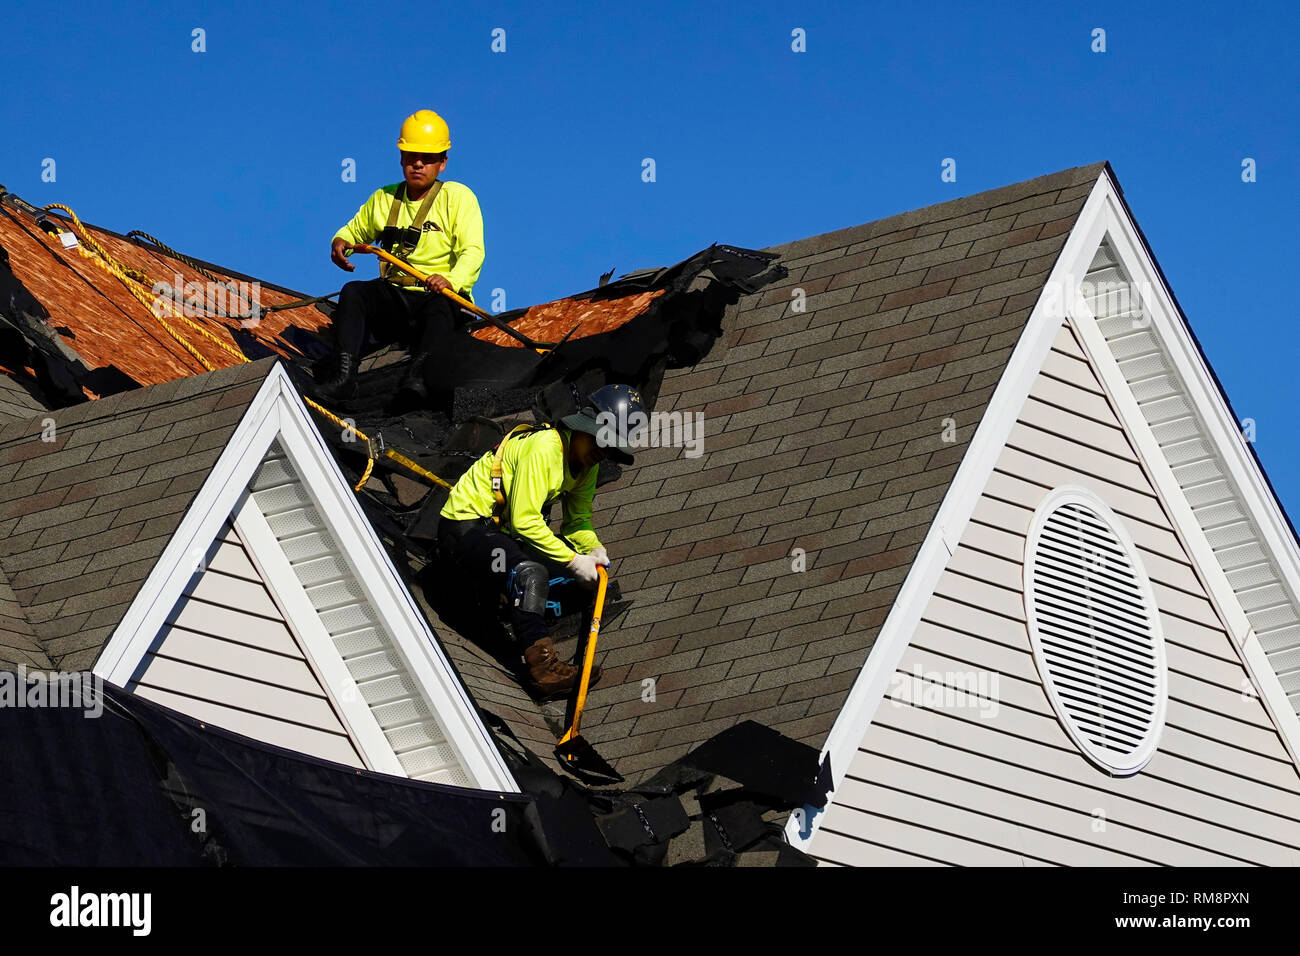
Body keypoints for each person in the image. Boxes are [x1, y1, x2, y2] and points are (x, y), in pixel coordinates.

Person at [437, 384, 646, 698]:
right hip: (466, 528)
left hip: (502, 535)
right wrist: (574, 561)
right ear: (585, 428)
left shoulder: (585, 467)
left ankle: (511, 602)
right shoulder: (546, 447)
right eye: (602, 442)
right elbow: (525, 521)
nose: (602, 453)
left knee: (576, 578)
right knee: (529, 572)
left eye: (610, 448)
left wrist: (591, 548)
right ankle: (543, 669)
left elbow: (577, 523)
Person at [315, 109, 485, 403]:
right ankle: (344, 378)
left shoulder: (458, 197)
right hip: (397, 299)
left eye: (427, 158)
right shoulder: (385, 197)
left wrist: (450, 281)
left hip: (440, 298)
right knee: (354, 292)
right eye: (410, 156)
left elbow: (472, 251)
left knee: (441, 309)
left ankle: (418, 379)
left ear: (443, 163)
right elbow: (355, 230)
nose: (417, 163)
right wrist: (341, 241)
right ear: (401, 157)